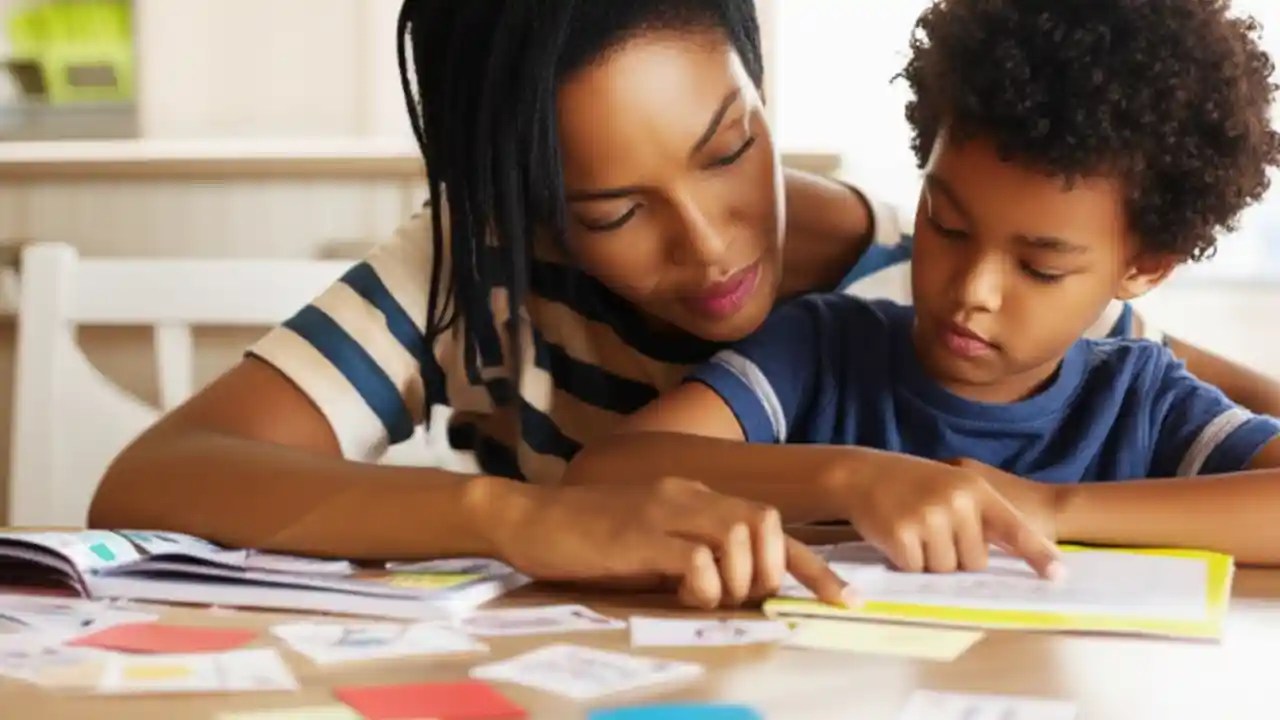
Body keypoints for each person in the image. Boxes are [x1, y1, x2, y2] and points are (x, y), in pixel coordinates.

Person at [88, 0, 1278, 609]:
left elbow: (1134, 370)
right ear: (526, 202)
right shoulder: (477, 264)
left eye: (727, 148)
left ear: (761, 89)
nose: (710, 248)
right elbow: (157, 481)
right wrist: (517, 518)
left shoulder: (924, 271)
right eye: (610, 210)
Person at [566, 0, 1280, 579]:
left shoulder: (1141, 402)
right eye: (947, 224)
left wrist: (1055, 507)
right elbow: (605, 472)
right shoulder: (819, 351)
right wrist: (851, 480)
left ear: (1145, 268)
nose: (973, 290)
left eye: (1040, 268)